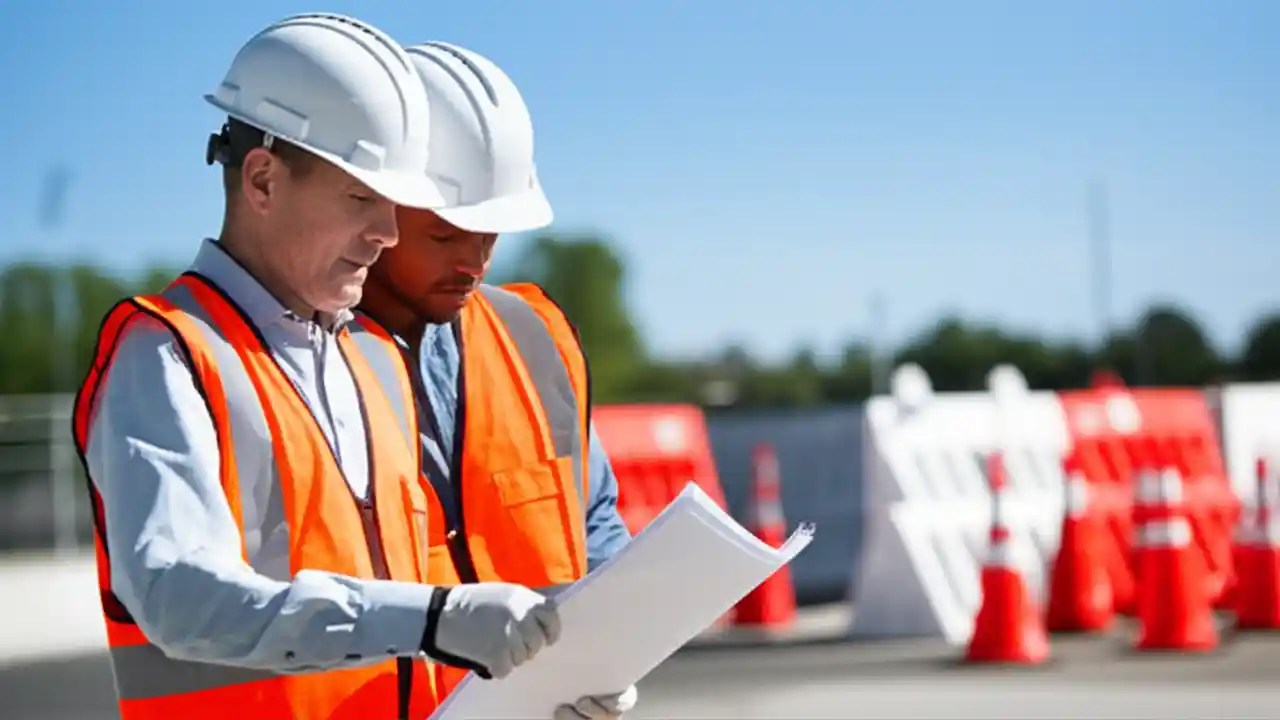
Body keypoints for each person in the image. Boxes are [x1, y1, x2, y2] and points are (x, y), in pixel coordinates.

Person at [71, 15, 562, 720]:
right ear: (263, 181)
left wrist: (560, 680)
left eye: (394, 205)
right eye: (362, 198)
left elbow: (422, 611)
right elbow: (180, 595)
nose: (387, 233)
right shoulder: (167, 355)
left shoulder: (373, 358)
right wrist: (430, 619)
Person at [357, 41, 637, 719]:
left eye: (490, 235)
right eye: (445, 236)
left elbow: (592, 518)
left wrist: (616, 653)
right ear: (372, 205)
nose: (473, 262)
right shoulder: (302, 355)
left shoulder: (533, 338)